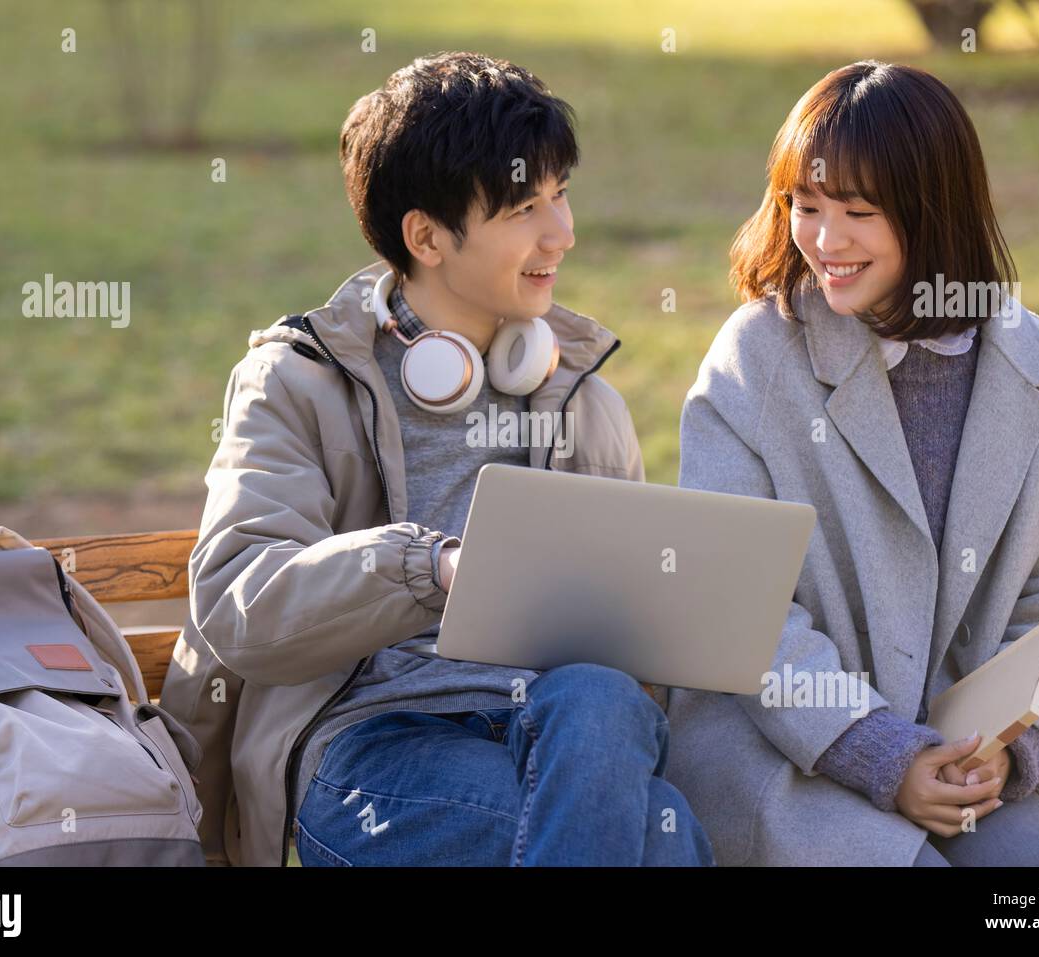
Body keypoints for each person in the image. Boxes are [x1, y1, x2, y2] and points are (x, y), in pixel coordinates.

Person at [161, 51, 713, 867]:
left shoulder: (580, 396)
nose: (561, 232)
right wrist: (431, 567)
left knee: (599, 694)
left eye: (560, 195)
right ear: (426, 236)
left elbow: (627, 639)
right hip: (375, 749)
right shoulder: (295, 383)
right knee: (655, 839)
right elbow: (241, 602)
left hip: (559, 733)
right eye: (526, 206)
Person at [663, 60, 1039, 866]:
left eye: (858, 212)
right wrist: (880, 753)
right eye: (805, 206)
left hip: (964, 758)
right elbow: (734, 601)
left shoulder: (1037, 367)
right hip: (785, 749)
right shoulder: (756, 358)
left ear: (932, 212)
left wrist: (1011, 753)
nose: (825, 241)